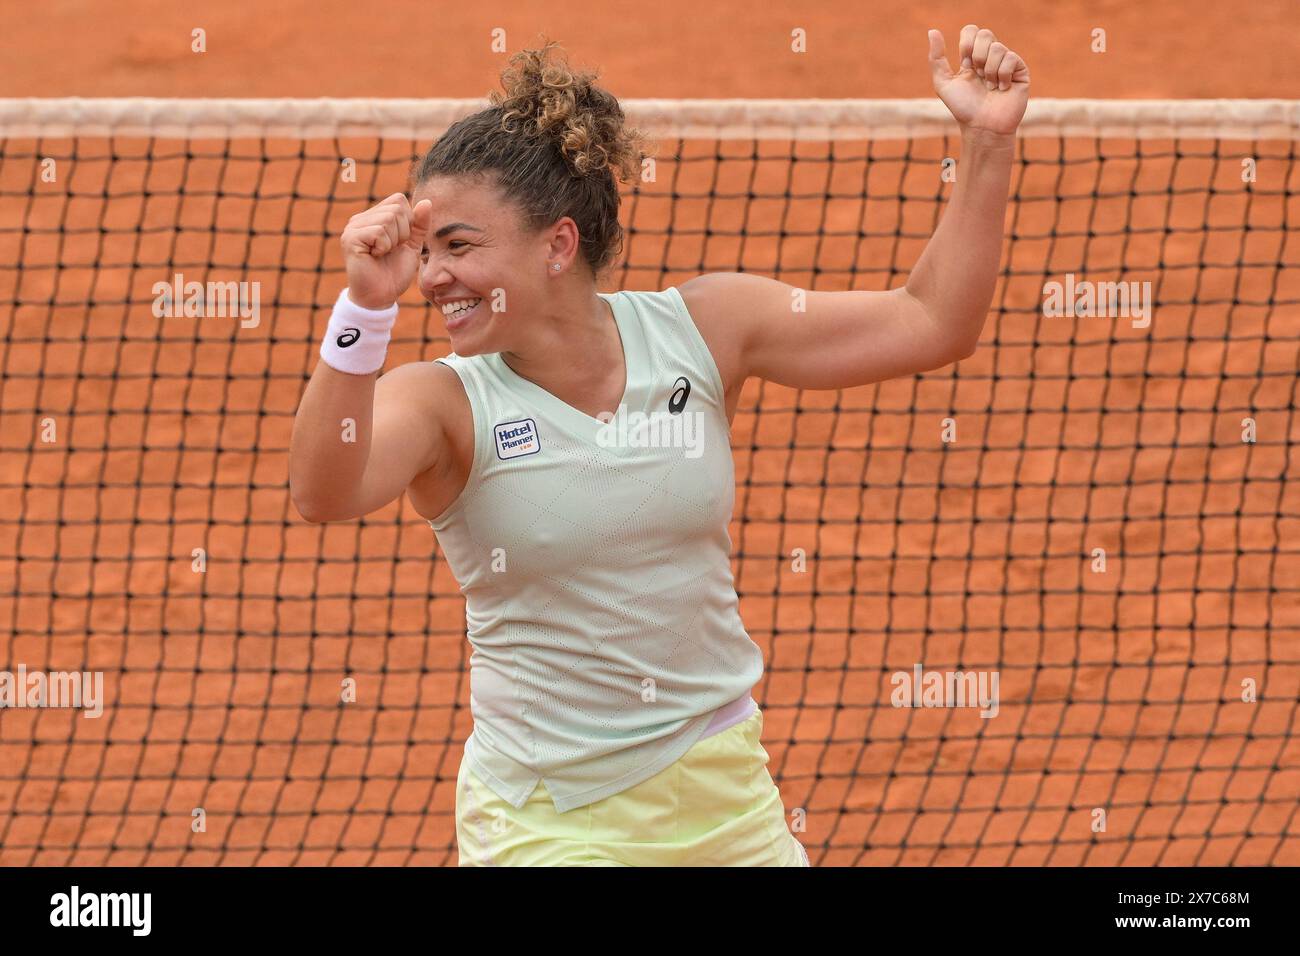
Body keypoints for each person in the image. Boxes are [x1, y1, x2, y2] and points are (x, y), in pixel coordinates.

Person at [289, 29, 1029, 865]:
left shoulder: (706, 331)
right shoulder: (445, 402)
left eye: (458, 247)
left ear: (558, 245)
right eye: (426, 254)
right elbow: (325, 490)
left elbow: (932, 322)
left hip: (723, 795)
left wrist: (987, 140)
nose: (430, 277)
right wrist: (363, 313)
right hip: (546, 814)